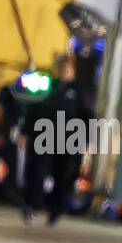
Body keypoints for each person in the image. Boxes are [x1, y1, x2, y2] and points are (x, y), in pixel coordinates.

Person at [22, 56, 91, 224]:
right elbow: (33, 109)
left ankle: (55, 210)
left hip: (68, 141)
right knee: (37, 172)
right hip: (44, 138)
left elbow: (87, 116)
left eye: (68, 69)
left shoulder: (78, 92)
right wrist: (25, 132)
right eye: (61, 68)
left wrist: (87, 140)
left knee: (64, 177)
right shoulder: (46, 86)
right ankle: (31, 205)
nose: (64, 72)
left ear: (73, 72)